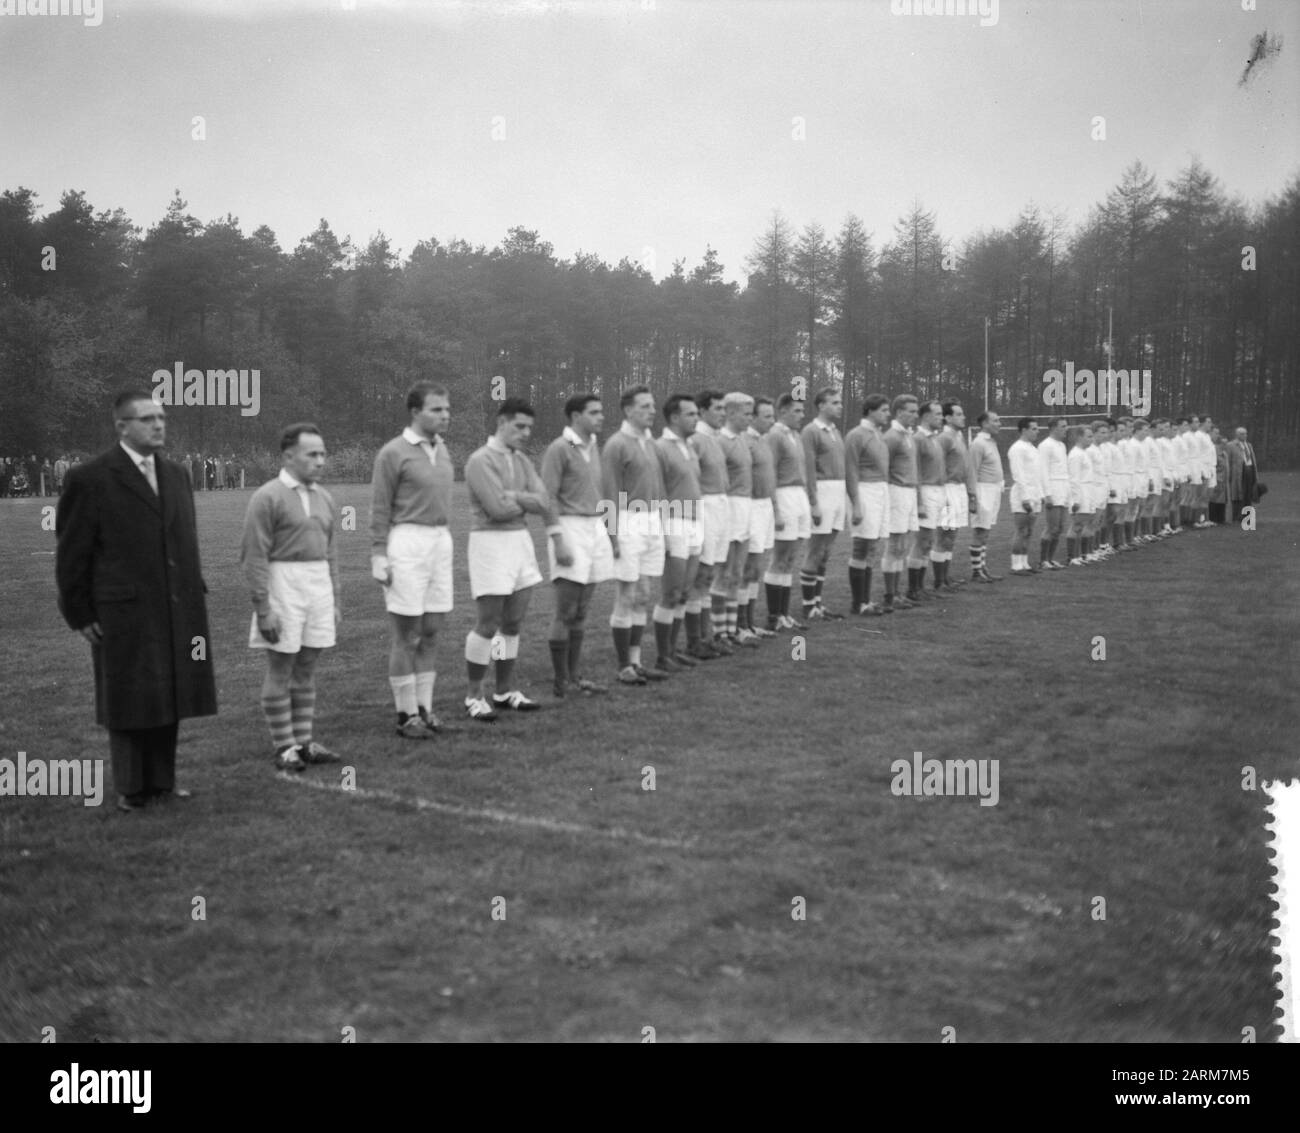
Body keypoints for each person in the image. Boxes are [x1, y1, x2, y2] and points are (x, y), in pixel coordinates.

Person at [55, 390, 217, 812]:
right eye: (147, 419)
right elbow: (73, 553)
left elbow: (182, 542)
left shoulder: (177, 475)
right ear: (122, 426)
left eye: (162, 417)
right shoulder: (90, 478)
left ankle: (162, 783)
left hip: (176, 606)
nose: (159, 425)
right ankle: (132, 789)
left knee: (170, 692)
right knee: (129, 697)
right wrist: (79, 612)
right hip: (121, 610)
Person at [241, 423, 342, 771]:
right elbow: (254, 556)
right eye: (311, 454)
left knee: (307, 669)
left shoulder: (324, 497)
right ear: (288, 456)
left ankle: (304, 741)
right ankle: (284, 745)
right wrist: (263, 608)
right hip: (283, 583)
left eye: (322, 454)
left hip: (318, 586)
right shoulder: (267, 496)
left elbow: (331, 553)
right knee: (281, 667)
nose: (320, 461)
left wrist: (336, 601)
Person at [463, 397, 559, 717]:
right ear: (501, 423)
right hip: (490, 543)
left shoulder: (522, 461)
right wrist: (527, 502)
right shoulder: (479, 460)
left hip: (520, 542)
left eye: (530, 427)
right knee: (488, 622)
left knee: (513, 622)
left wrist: (517, 497)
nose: (526, 433)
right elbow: (496, 509)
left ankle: (503, 691)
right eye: (519, 426)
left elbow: (545, 500)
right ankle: (474, 695)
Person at [370, 382, 455, 739]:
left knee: (432, 632)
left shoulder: (443, 450)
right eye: (436, 409)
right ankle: (406, 715)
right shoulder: (393, 452)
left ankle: (425, 708)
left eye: (447, 409)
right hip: (407, 542)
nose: (444, 415)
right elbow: (380, 506)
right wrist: (378, 553)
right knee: (405, 635)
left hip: (440, 541)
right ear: (415, 412)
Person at [540, 393, 613, 698]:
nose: (601, 417)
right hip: (569, 527)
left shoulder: (593, 446)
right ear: (575, 416)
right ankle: (561, 681)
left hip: (594, 527)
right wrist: (558, 539)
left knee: (582, 610)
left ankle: (575, 675)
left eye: (601, 411)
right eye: (594, 412)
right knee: (566, 609)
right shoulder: (561, 448)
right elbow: (548, 497)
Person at [603, 385, 670, 684]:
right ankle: (623, 667)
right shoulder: (616, 444)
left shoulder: (651, 443)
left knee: (643, 594)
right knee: (626, 595)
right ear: (629, 410)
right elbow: (609, 494)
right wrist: (613, 535)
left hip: (652, 520)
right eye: (645, 406)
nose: (652, 411)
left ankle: (636, 661)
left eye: (653, 406)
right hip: (628, 521)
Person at [654, 394, 705, 671]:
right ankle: (663, 656)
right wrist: (661, 531)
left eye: (697, 413)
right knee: (671, 592)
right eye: (691, 414)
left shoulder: (690, 446)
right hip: (673, 523)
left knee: (686, 592)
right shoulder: (660, 447)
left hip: (695, 522)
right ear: (674, 417)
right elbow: (658, 491)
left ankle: (673, 651)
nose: (696, 418)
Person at [686, 390, 729, 659]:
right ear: (702, 412)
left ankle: (705, 636)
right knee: (700, 576)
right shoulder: (697, 440)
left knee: (709, 574)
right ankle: (695, 640)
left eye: (724, 408)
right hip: (704, 507)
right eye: (717, 408)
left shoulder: (714, 438)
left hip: (720, 506)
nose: (723, 413)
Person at [799, 387, 847, 620]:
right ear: (821, 406)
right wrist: (814, 502)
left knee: (826, 552)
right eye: (835, 402)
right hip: (823, 492)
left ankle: (818, 603)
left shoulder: (835, 432)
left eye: (840, 402)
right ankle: (808, 605)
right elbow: (808, 469)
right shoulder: (811, 431)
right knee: (815, 550)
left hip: (837, 492)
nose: (840, 406)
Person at [763, 392, 810, 630]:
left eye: (802, 411)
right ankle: (774, 616)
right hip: (783, 496)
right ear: (782, 411)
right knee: (780, 558)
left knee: (791, 558)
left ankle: (783, 614)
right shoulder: (775, 436)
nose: (801, 415)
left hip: (799, 496)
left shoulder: (796, 436)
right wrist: (776, 509)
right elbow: (769, 473)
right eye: (796, 411)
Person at [715, 392, 759, 646]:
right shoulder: (721, 441)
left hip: (746, 507)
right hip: (729, 507)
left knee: (737, 573)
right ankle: (719, 631)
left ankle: (732, 629)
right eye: (745, 413)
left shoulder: (743, 440)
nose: (749, 418)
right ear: (730, 413)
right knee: (724, 573)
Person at [844, 394, 891, 615]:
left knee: (873, 547)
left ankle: (866, 601)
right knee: (861, 546)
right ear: (870, 411)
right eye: (883, 410)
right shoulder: (856, 435)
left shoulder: (878, 435)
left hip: (880, 491)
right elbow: (850, 470)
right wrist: (856, 504)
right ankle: (857, 603)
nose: (887, 414)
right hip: (864, 491)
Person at [742, 397, 778, 638]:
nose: (772, 420)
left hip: (765, 506)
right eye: (767, 416)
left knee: (757, 567)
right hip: (751, 507)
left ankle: (750, 623)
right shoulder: (745, 441)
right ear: (752, 417)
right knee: (749, 567)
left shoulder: (764, 441)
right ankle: (740, 625)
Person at [936, 401, 976, 592]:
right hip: (947, 489)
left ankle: (946, 577)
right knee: (944, 535)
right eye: (959, 414)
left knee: (952, 536)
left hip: (959, 489)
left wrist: (971, 493)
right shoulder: (944, 438)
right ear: (948, 417)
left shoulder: (958, 437)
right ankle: (939, 580)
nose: (963, 417)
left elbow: (966, 468)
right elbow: (937, 465)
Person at [968, 411, 1004, 582]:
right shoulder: (978, 443)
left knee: (986, 532)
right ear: (984, 423)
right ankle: (976, 572)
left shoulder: (991, 442)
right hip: (983, 490)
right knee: (980, 531)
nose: (999, 423)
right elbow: (972, 471)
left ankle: (983, 568)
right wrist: (973, 497)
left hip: (994, 489)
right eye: (995, 420)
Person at [1007, 417, 1043, 575]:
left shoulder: (1033, 448)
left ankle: (1024, 563)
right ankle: (1015, 565)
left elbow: (1037, 474)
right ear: (1023, 430)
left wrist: (1039, 494)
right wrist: (1025, 498)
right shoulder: (1017, 448)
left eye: (1037, 428)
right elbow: (1018, 474)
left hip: (1035, 494)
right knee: (1021, 529)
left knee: (1029, 530)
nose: (1037, 431)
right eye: (1033, 429)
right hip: (1023, 494)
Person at [1037, 417, 1069, 569]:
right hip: (1052, 491)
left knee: (1060, 528)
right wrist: (1047, 494)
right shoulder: (1045, 445)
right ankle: (1043, 561)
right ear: (1054, 428)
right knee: (1052, 527)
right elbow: (1042, 471)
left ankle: (1051, 559)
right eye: (1063, 426)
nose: (1066, 429)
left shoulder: (1062, 445)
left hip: (1063, 491)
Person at [1228, 426, 1260, 521]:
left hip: (1250, 470)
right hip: (1238, 473)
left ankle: (1247, 516)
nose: (1244, 435)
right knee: (1238, 494)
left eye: (1245, 433)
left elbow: (1252, 459)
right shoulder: (1231, 445)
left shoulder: (1249, 445)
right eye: (1242, 434)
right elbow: (1229, 461)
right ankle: (1237, 516)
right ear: (1236, 434)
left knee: (1248, 494)